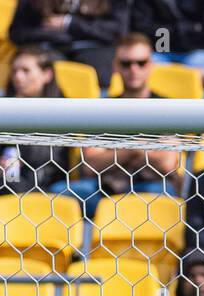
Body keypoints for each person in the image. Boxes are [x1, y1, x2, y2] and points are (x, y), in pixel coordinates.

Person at [68, 33, 182, 210]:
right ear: (115, 66)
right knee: (63, 193)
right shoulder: (102, 109)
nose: (134, 70)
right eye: (126, 64)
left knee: (161, 195)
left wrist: (116, 151)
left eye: (141, 63)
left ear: (151, 65)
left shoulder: (166, 107)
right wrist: (138, 150)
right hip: (103, 188)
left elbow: (166, 163)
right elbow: (91, 166)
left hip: (150, 186)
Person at [0, 47, 73, 197]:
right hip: (8, 186)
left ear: (47, 74)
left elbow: (52, 160)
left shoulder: (63, 111)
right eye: (14, 71)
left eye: (26, 71)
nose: (18, 77)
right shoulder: (1, 109)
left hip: (49, 187)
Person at [8, 0, 133, 87]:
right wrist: (55, 35)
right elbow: (17, 32)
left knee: (101, 70)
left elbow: (119, 31)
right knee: (36, 69)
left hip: (95, 48)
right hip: (50, 47)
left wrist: (69, 24)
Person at [131, 0, 204, 83]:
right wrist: (187, 29)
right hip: (160, 51)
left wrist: (169, 31)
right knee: (142, 67)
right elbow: (142, 31)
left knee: (199, 71)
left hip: (198, 51)